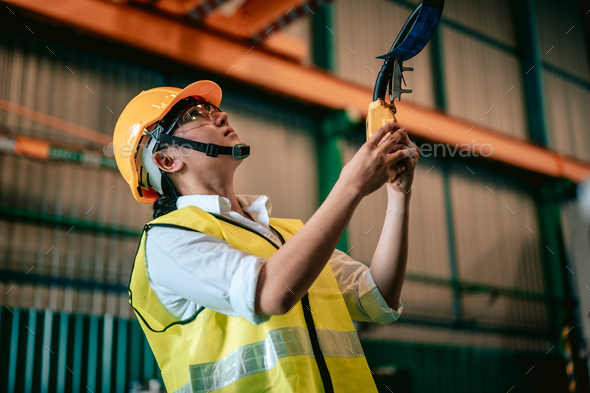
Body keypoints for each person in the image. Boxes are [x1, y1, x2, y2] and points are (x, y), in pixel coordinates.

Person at [113, 80, 419, 393]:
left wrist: (399, 194)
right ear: (167, 160)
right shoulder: (167, 241)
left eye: (213, 110)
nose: (221, 116)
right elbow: (270, 292)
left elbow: (379, 298)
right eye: (194, 115)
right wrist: (351, 185)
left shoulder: (287, 235)